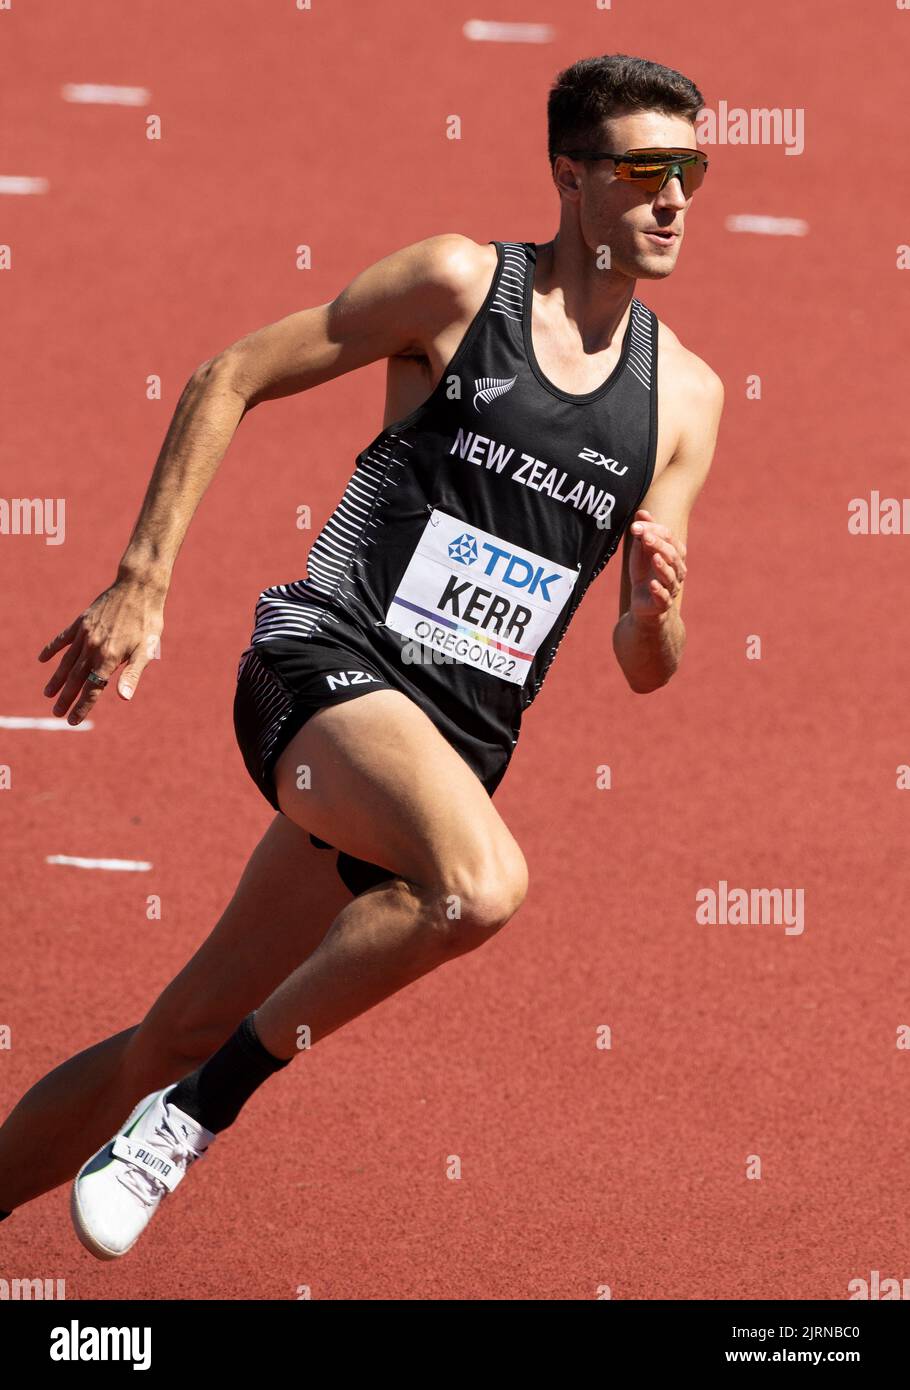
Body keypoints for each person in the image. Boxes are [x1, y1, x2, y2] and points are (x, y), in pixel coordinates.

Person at [0, 53, 724, 1258]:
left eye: (690, 170)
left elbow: (647, 664)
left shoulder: (686, 398)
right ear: (569, 176)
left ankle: (159, 1096)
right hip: (323, 660)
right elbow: (228, 375)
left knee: (167, 1035)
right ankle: (198, 1118)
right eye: (644, 169)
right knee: (481, 886)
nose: (673, 199)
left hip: (448, 749)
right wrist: (143, 574)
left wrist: (653, 614)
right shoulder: (456, 285)